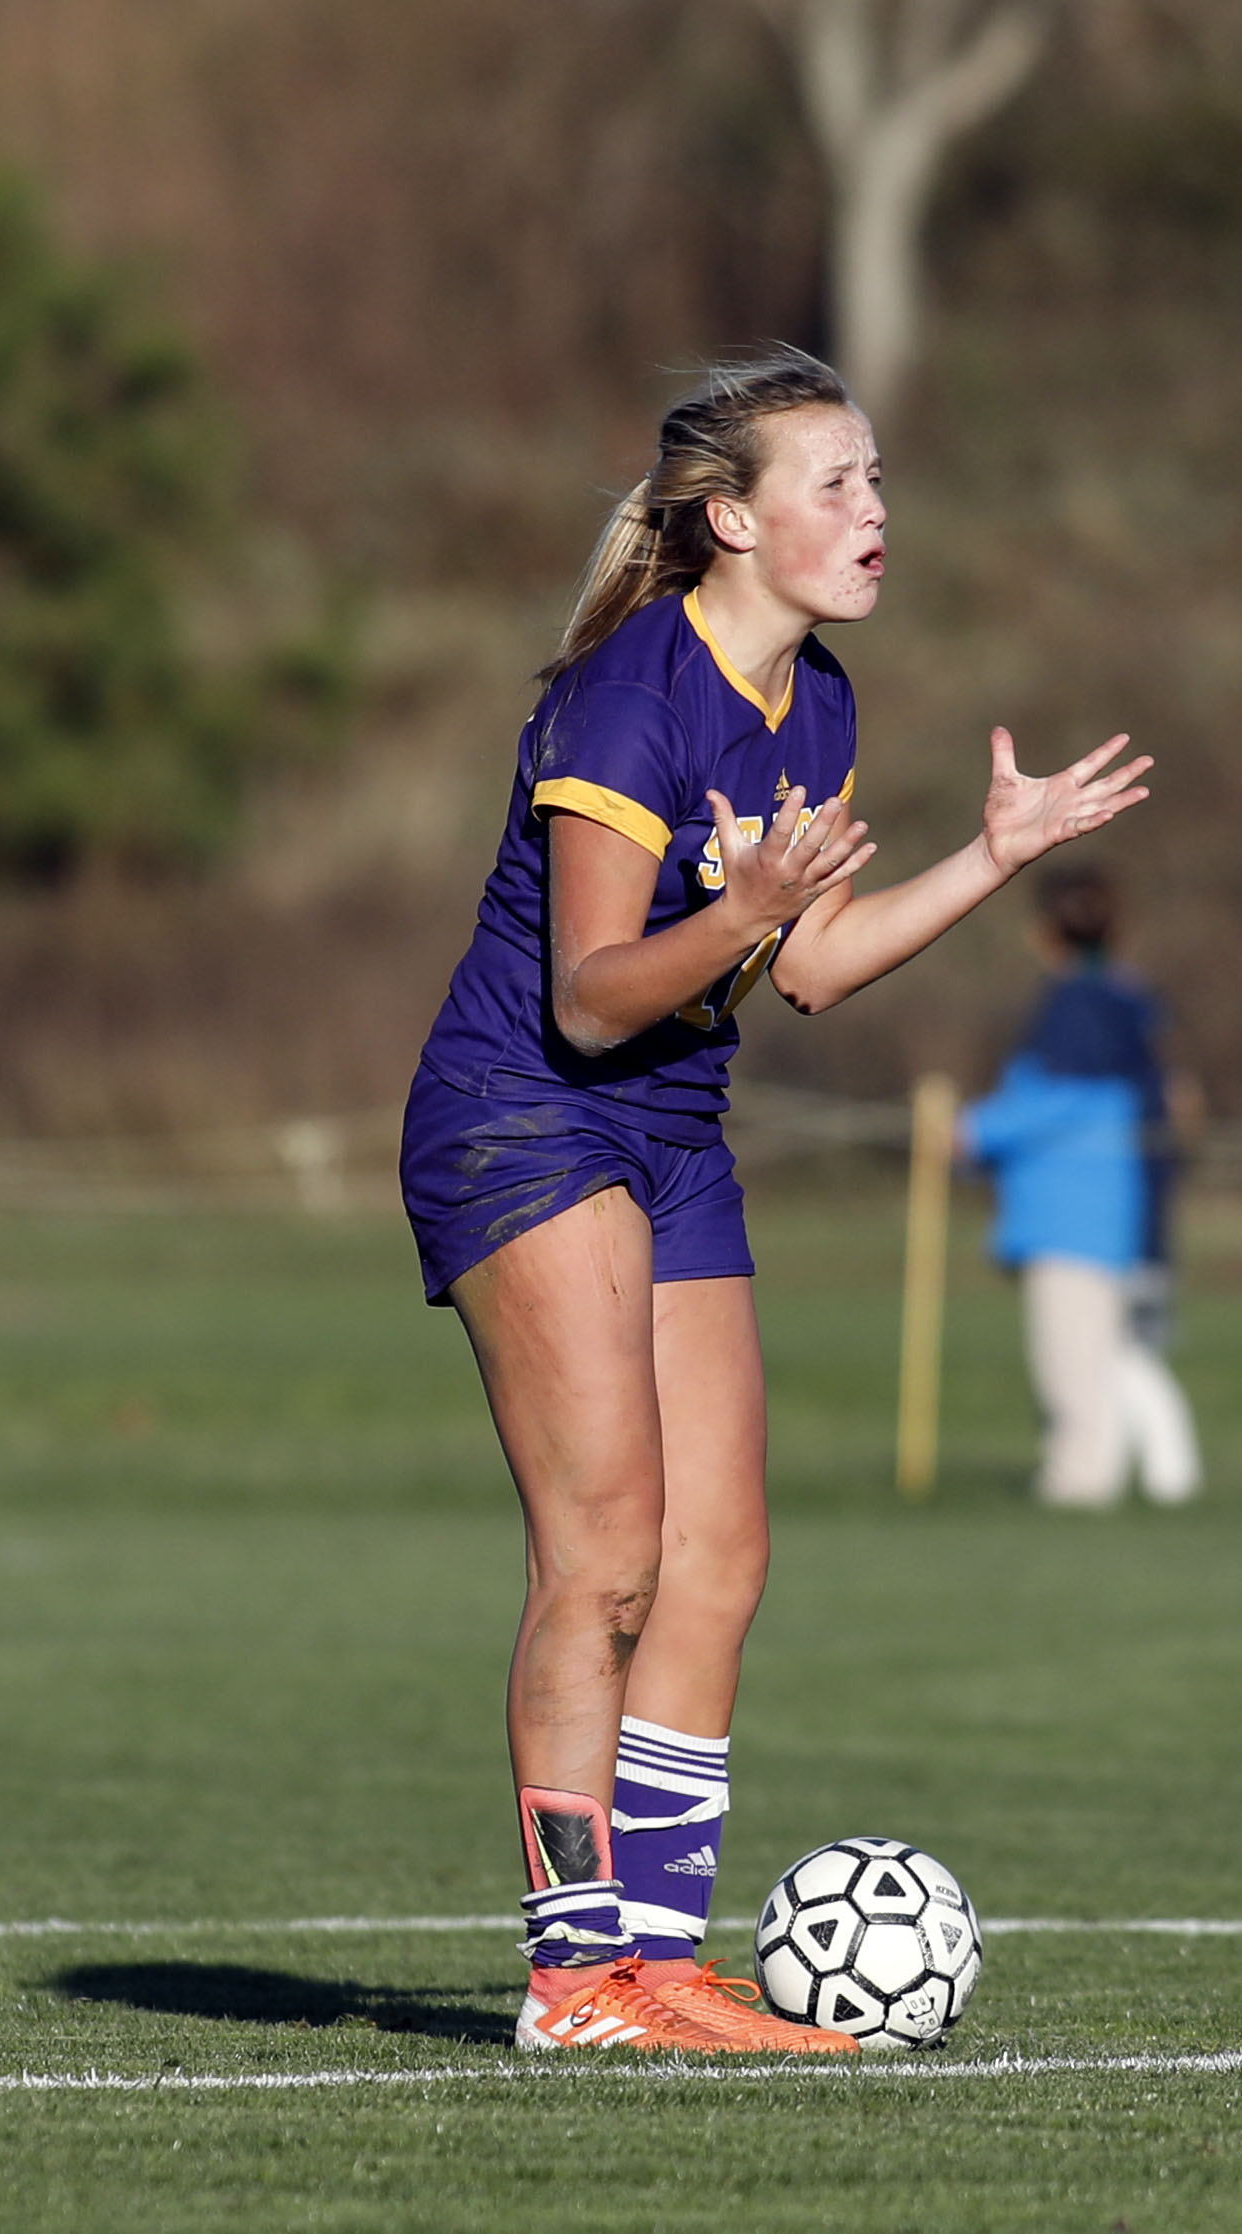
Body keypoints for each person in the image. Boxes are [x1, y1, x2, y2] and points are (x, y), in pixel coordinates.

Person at [399, 347, 1151, 2053]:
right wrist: (741, 908)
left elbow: (803, 965)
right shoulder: (626, 695)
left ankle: (661, 1962)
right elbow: (592, 993)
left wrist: (994, 856)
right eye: (838, 485)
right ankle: (572, 1978)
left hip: (672, 1121)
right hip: (527, 1115)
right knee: (601, 1561)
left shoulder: (816, 699)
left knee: (719, 1559)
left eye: (880, 480)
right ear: (730, 518)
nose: (877, 512)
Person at [964, 864, 1202, 1508]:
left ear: (1044, 933)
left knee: (1076, 1368)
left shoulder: (1076, 1003)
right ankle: (1169, 1481)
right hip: (1127, 1211)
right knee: (1114, 1353)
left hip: (1073, 1216)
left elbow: (1063, 1098)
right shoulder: (1132, 999)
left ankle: (1082, 1488)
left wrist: (971, 1132)